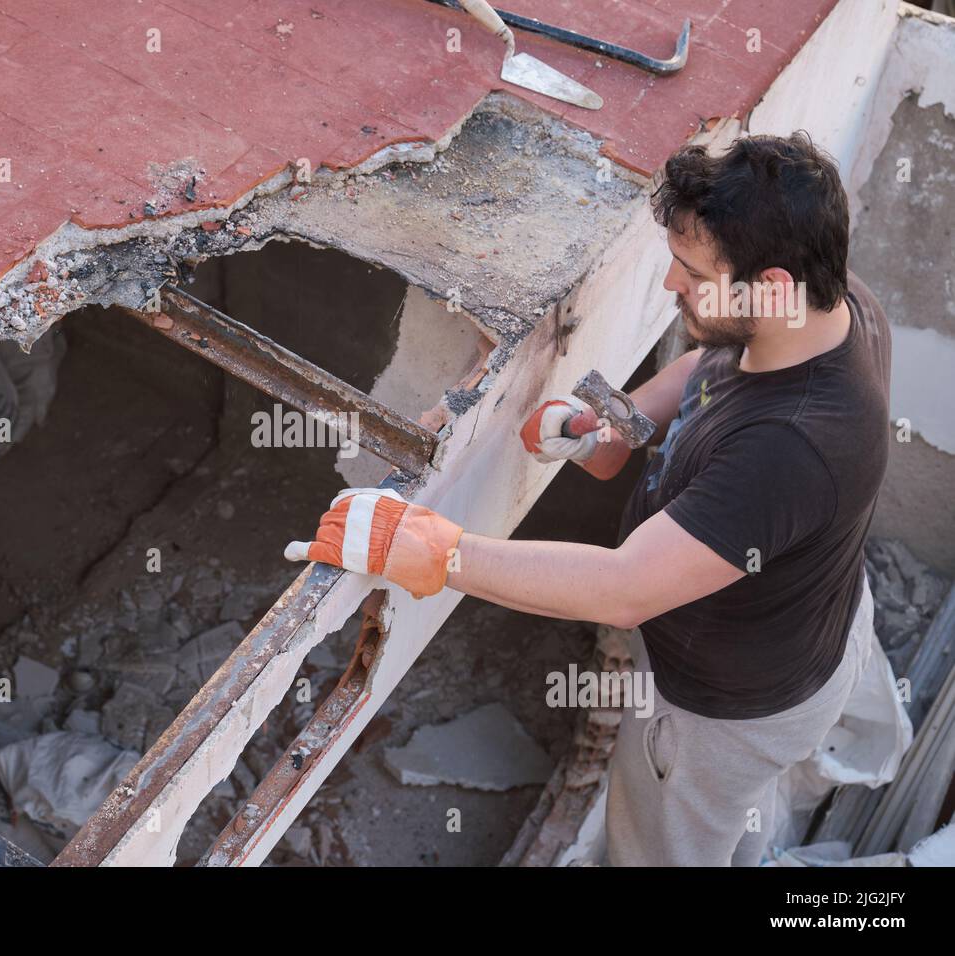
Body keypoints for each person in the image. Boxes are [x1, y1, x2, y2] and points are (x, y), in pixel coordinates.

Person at [282, 132, 893, 866]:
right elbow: (716, 359)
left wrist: (440, 553)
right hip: (801, 634)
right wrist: (615, 424)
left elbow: (624, 590)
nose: (672, 284)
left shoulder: (794, 449)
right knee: (735, 813)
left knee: (662, 850)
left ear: (769, 286)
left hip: (722, 714)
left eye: (693, 273)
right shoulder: (826, 306)